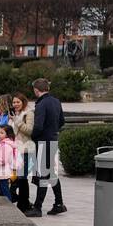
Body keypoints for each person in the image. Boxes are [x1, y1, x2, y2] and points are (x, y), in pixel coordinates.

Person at [27, 78, 67, 217]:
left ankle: (38, 207)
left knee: (43, 174)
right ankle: (59, 203)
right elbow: (62, 121)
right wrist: (53, 130)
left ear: (36, 90)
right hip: (53, 139)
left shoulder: (41, 104)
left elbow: (38, 126)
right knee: (50, 173)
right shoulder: (56, 101)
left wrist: (33, 137)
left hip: (43, 141)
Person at [8, 93, 34, 214]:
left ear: (23, 102)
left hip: (24, 149)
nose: (15, 104)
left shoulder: (28, 113)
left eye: (18, 102)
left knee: (22, 176)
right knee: (16, 176)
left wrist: (17, 121)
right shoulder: (14, 115)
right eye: (14, 102)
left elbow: (29, 131)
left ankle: (23, 203)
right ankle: (20, 200)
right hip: (14, 149)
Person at [0, 123, 17, 199]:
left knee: (5, 190)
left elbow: (3, 160)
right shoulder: (0, 143)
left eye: (1, 133)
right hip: (0, 171)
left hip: (4, 172)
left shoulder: (6, 145)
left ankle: (10, 205)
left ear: (8, 134)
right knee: (1, 190)